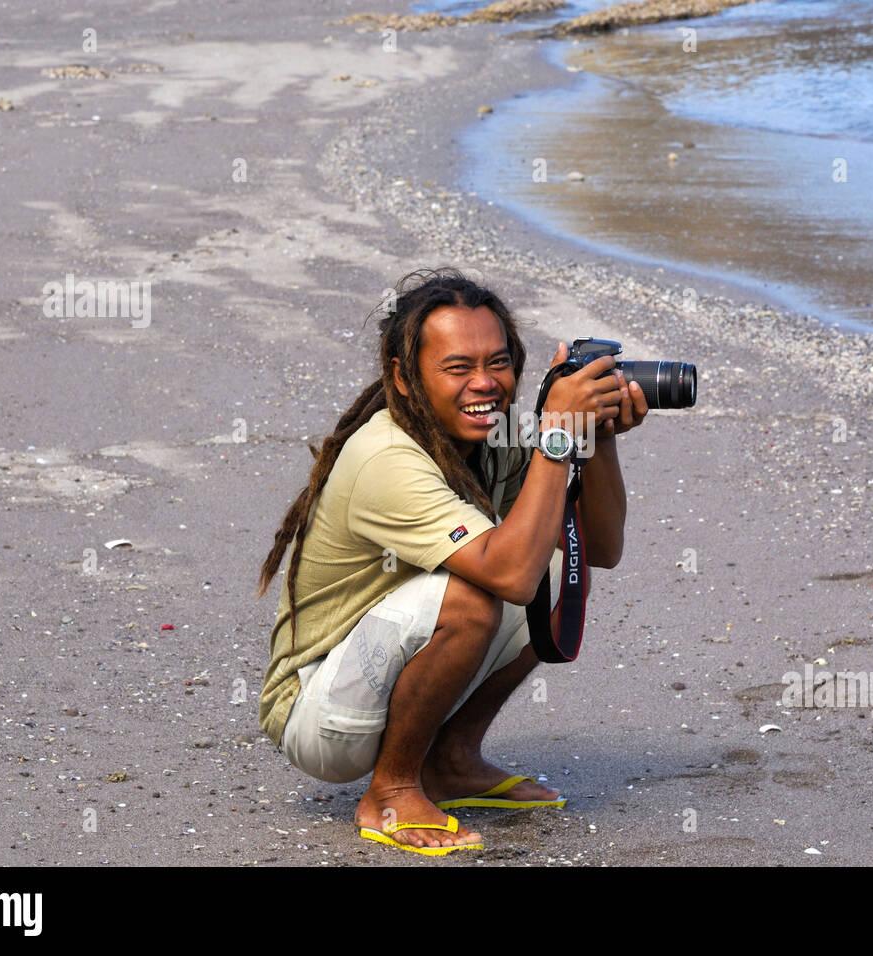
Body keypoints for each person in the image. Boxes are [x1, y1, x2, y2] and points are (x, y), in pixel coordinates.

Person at [256, 267, 647, 854]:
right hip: (319, 717)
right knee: (475, 594)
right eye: (458, 368)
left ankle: (451, 761)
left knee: (558, 566)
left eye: (498, 363)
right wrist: (556, 436)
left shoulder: (495, 435)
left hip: (376, 677)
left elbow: (600, 548)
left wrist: (596, 437)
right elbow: (508, 574)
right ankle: (391, 790)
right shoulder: (386, 456)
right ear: (405, 377)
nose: (484, 384)